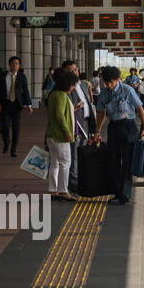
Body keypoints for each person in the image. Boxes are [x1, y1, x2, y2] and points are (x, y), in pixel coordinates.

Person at [93, 66, 144, 205]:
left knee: (127, 161)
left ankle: (125, 194)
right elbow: (101, 113)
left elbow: (140, 108)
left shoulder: (127, 90)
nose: (108, 85)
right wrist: (97, 131)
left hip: (129, 127)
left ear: (117, 79)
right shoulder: (104, 93)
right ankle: (117, 193)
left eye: (111, 82)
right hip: (114, 127)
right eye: (106, 83)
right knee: (113, 161)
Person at [45, 70, 77, 201]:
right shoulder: (62, 96)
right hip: (60, 136)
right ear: (68, 84)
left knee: (55, 163)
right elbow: (59, 115)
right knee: (65, 162)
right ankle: (63, 190)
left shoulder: (53, 95)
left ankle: (53, 190)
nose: (74, 87)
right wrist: (67, 131)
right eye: (73, 85)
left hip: (51, 134)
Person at [0, 56, 33, 157]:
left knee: (16, 128)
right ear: (9, 65)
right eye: (13, 63)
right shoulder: (3, 76)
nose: (15, 65)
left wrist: (29, 105)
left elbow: (26, 91)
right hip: (6, 104)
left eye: (17, 63)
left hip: (17, 105)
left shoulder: (22, 77)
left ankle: (13, 149)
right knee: (4, 126)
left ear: (19, 65)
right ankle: (6, 142)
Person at [61, 60, 94, 143]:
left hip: (86, 120)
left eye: (75, 69)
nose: (75, 72)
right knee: (75, 151)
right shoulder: (65, 89)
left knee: (84, 150)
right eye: (71, 71)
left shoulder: (84, 84)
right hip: (75, 124)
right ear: (65, 72)